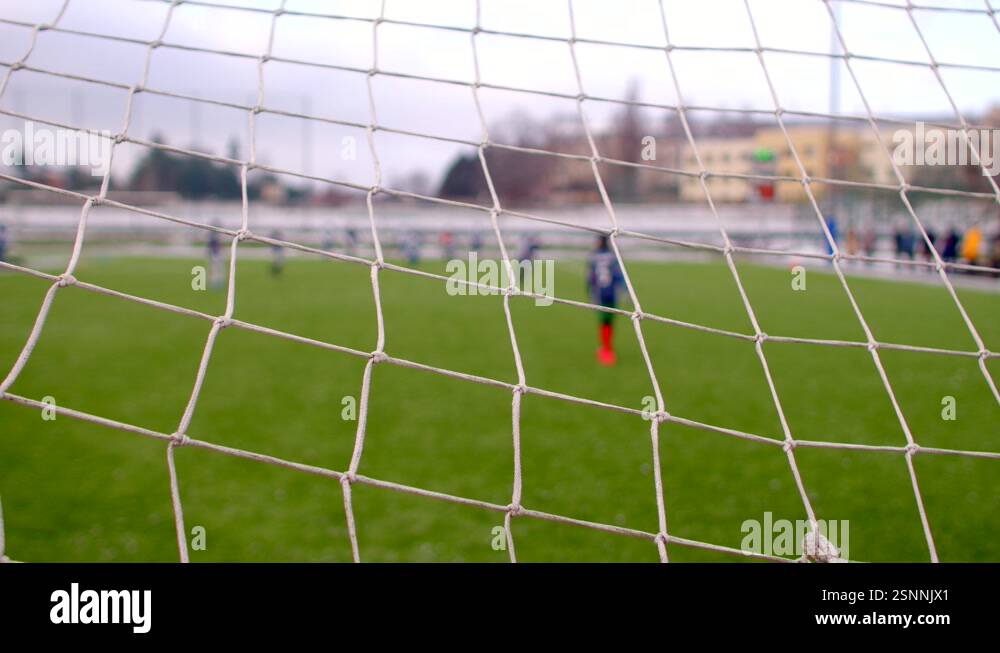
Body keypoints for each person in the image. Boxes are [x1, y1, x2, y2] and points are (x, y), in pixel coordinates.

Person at [587, 235, 625, 366]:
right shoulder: (613, 257)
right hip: (612, 293)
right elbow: (619, 275)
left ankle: (606, 350)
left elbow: (590, 278)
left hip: (600, 293)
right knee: (609, 322)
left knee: (604, 322)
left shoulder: (593, 257)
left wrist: (590, 293)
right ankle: (607, 348)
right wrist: (625, 292)